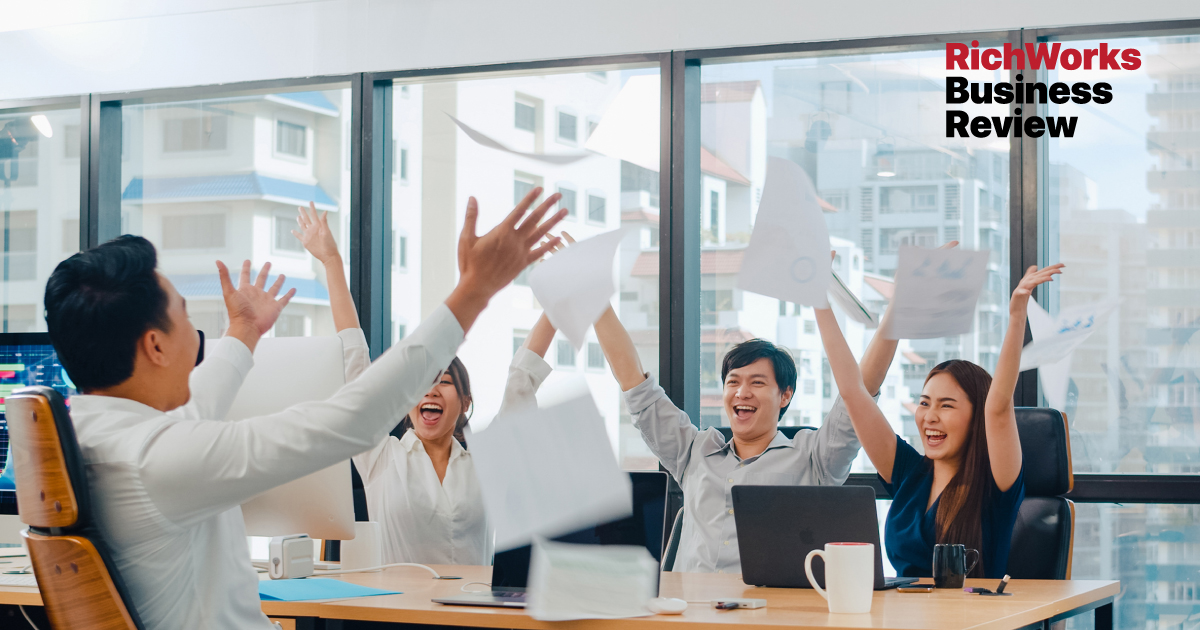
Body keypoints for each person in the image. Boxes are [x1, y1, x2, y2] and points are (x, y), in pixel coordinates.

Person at [43, 189, 565, 630]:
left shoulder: (96, 436)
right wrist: (474, 289)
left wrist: (243, 332)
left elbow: (203, 398)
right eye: (183, 313)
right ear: (155, 347)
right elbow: (353, 419)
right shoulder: (161, 458)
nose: (198, 335)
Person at [292, 202, 560, 565]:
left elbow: (521, 382)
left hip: (473, 616)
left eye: (445, 382)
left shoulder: (488, 463)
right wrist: (331, 261)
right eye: (421, 384)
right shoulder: (380, 458)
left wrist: (560, 300)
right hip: (400, 617)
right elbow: (354, 359)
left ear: (465, 402)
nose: (431, 391)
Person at [593, 305, 896, 574]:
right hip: (692, 614)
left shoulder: (814, 459)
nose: (741, 392)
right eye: (733, 382)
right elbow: (637, 386)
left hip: (769, 615)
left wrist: (899, 310)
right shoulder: (694, 451)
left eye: (757, 382)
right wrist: (593, 301)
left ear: (785, 395)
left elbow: (860, 394)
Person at [815, 261, 1064, 579]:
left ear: (977, 418)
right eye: (924, 403)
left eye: (946, 406)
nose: (929, 416)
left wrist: (1017, 315)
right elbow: (853, 392)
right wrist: (818, 299)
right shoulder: (908, 472)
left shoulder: (996, 483)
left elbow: (998, 408)